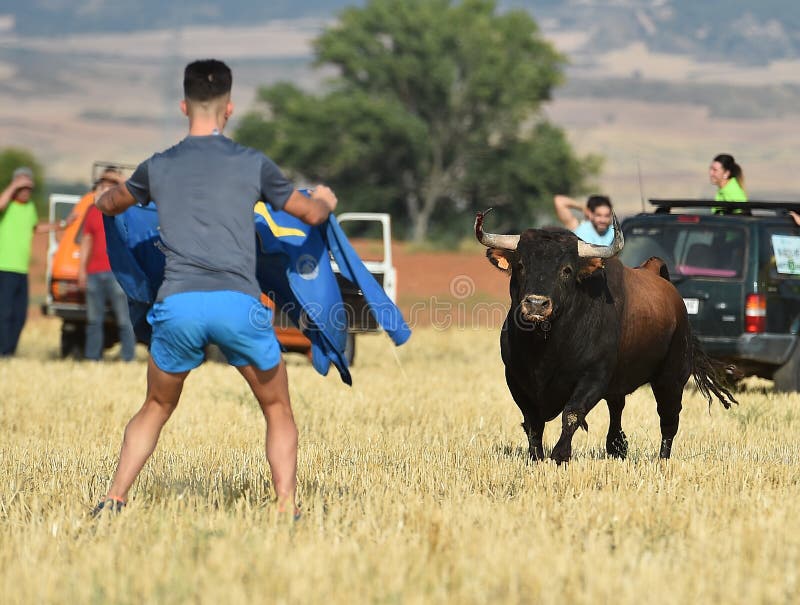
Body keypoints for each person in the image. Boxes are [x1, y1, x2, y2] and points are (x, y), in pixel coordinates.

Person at [91, 59, 337, 518]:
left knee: (156, 406)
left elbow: (111, 203)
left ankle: (113, 499)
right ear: (229, 109)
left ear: (185, 106)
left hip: (177, 305)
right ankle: (286, 508)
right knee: (277, 407)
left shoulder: (157, 167)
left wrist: (104, 196)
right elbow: (310, 214)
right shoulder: (253, 165)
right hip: (236, 306)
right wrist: (324, 198)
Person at [77, 168, 137, 361]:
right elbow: (86, 240)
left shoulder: (125, 210)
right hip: (94, 273)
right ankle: (92, 359)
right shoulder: (91, 211)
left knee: (124, 320)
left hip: (118, 273)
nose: (103, 189)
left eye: (108, 186)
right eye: (101, 185)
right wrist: (81, 271)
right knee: (94, 320)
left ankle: (128, 359)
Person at [0, 167, 39, 356]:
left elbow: (35, 228)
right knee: (4, 313)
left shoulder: (30, 207)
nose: (26, 192)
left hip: (22, 270)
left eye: (28, 188)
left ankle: (9, 352)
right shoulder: (7, 206)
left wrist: (63, 224)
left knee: (19, 316)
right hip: (4, 267)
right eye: (22, 188)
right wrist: (15, 184)